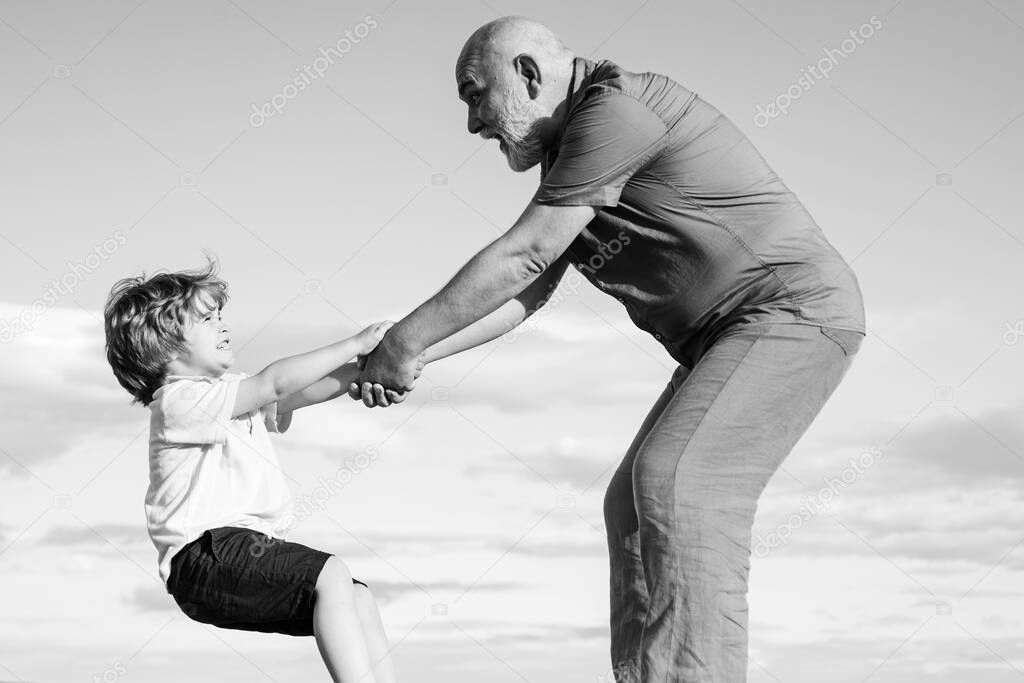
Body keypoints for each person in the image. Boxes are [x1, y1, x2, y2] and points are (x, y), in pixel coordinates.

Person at [350, 16, 867, 683]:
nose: (473, 124)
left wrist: (405, 339)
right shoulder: (573, 156)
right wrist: (411, 354)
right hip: (726, 335)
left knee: (679, 480)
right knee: (628, 503)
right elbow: (526, 293)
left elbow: (526, 252)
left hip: (791, 312)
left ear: (529, 75)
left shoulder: (616, 111)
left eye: (475, 95)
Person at [103, 259, 411, 683]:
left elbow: (301, 391)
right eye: (207, 318)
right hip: (204, 556)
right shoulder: (179, 402)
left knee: (356, 596)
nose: (222, 324)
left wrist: (373, 369)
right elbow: (276, 384)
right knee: (332, 573)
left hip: (237, 552)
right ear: (166, 347)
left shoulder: (229, 396)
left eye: (220, 315)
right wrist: (353, 345)